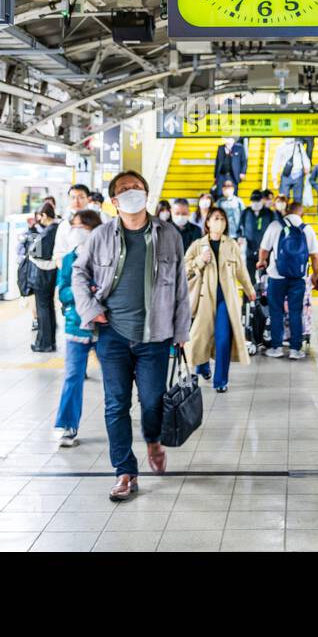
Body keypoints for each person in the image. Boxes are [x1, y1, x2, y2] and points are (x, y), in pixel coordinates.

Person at [72, 170, 191, 502]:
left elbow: (181, 286)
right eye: (124, 190)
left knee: (152, 401)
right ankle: (124, 471)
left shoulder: (169, 235)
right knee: (115, 404)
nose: (132, 193)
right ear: (113, 201)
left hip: (157, 336)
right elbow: (79, 272)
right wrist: (90, 308)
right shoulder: (99, 236)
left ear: (147, 194)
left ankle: (152, 439)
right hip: (112, 334)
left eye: (137, 188)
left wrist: (182, 330)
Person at [185, 207, 256, 392]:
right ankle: (202, 365)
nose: (220, 222)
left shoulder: (231, 244)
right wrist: (200, 260)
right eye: (216, 218)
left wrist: (249, 289)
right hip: (204, 299)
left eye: (223, 218)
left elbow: (241, 269)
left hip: (227, 299)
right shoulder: (198, 245)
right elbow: (184, 270)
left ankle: (221, 381)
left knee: (223, 339)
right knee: (202, 336)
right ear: (207, 222)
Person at [55, 209, 104, 447]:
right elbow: (62, 291)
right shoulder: (68, 259)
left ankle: (122, 415)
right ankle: (67, 425)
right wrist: (80, 291)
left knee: (117, 378)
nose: (76, 232)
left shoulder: (107, 257)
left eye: (81, 227)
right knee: (73, 376)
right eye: (73, 227)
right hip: (76, 326)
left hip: (106, 325)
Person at [257, 200, 318, 359]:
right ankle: (295, 349)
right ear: (302, 214)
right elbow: (314, 256)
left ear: (287, 211)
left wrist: (262, 261)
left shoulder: (275, 225)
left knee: (276, 312)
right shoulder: (308, 229)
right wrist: (314, 275)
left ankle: (277, 347)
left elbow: (264, 249)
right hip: (298, 277)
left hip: (276, 276)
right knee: (295, 312)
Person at [28, 203, 61, 352]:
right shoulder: (57, 227)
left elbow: (36, 251)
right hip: (50, 272)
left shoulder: (50, 230)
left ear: (44, 215)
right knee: (48, 308)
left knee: (43, 309)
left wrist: (32, 232)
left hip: (43, 274)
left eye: (39, 216)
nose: (38, 220)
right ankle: (49, 342)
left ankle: (44, 343)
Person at [55, 183, 104, 259]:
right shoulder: (64, 224)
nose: (76, 201)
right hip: (71, 268)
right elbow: (58, 253)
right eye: (73, 197)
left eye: (81, 197)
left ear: (88, 199)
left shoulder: (99, 219)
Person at [239, 189, 275, 280]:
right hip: (250, 250)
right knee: (249, 277)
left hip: (265, 250)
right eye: (253, 201)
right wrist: (240, 237)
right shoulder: (245, 212)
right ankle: (249, 294)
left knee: (264, 277)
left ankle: (263, 294)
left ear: (262, 201)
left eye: (258, 201)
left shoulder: (269, 213)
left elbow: (274, 229)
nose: (255, 203)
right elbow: (239, 228)